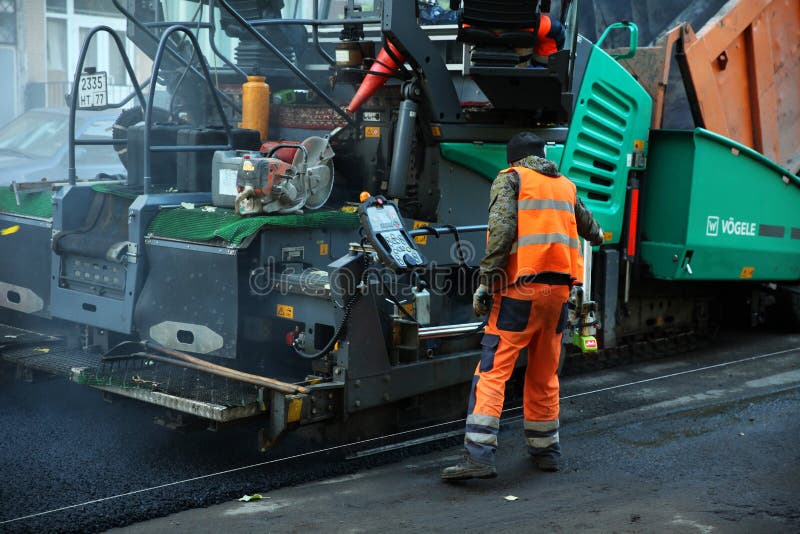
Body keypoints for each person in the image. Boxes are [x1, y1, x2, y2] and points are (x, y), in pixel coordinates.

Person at [441, 132, 603, 481]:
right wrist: (599, 236)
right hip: (558, 294)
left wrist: (485, 282)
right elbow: (593, 230)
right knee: (544, 373)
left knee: (494, 370)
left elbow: (501, 233)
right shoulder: (566, 186)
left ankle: (479, 455)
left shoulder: (511, 179)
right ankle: (546, 452)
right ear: (543, 156)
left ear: (512, 159)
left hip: (520, 292)